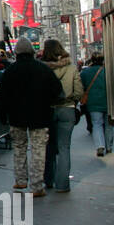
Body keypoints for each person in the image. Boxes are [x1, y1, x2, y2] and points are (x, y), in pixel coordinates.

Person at [0, 37, 63, 198]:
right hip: (40, 116)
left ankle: (20, 180)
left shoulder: (10, 71)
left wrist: (3, 115)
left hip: (16, 116)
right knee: (38, 149)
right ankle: (36, 185)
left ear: (17, 52)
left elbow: (2, 96)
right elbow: (57, 91)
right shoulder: (43, 69)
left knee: (19, 147)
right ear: (32, 52)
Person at [42, 38, 83, 193]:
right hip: (67, 108)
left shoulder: (43, 68)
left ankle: (49, 180)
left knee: (48, 146)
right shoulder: (72, 68)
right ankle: (63, 184)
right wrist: (73, 100)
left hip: (48, 110)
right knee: (64, 147)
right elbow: (79, 90)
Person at [78, 53, 112, 158]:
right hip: (109, 101)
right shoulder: (109, 71)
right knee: (109, 124)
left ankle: (100, 146)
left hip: (93, 103)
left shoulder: (85, 72)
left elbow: (81, 87)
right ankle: (109, 146)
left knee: (96, 124)